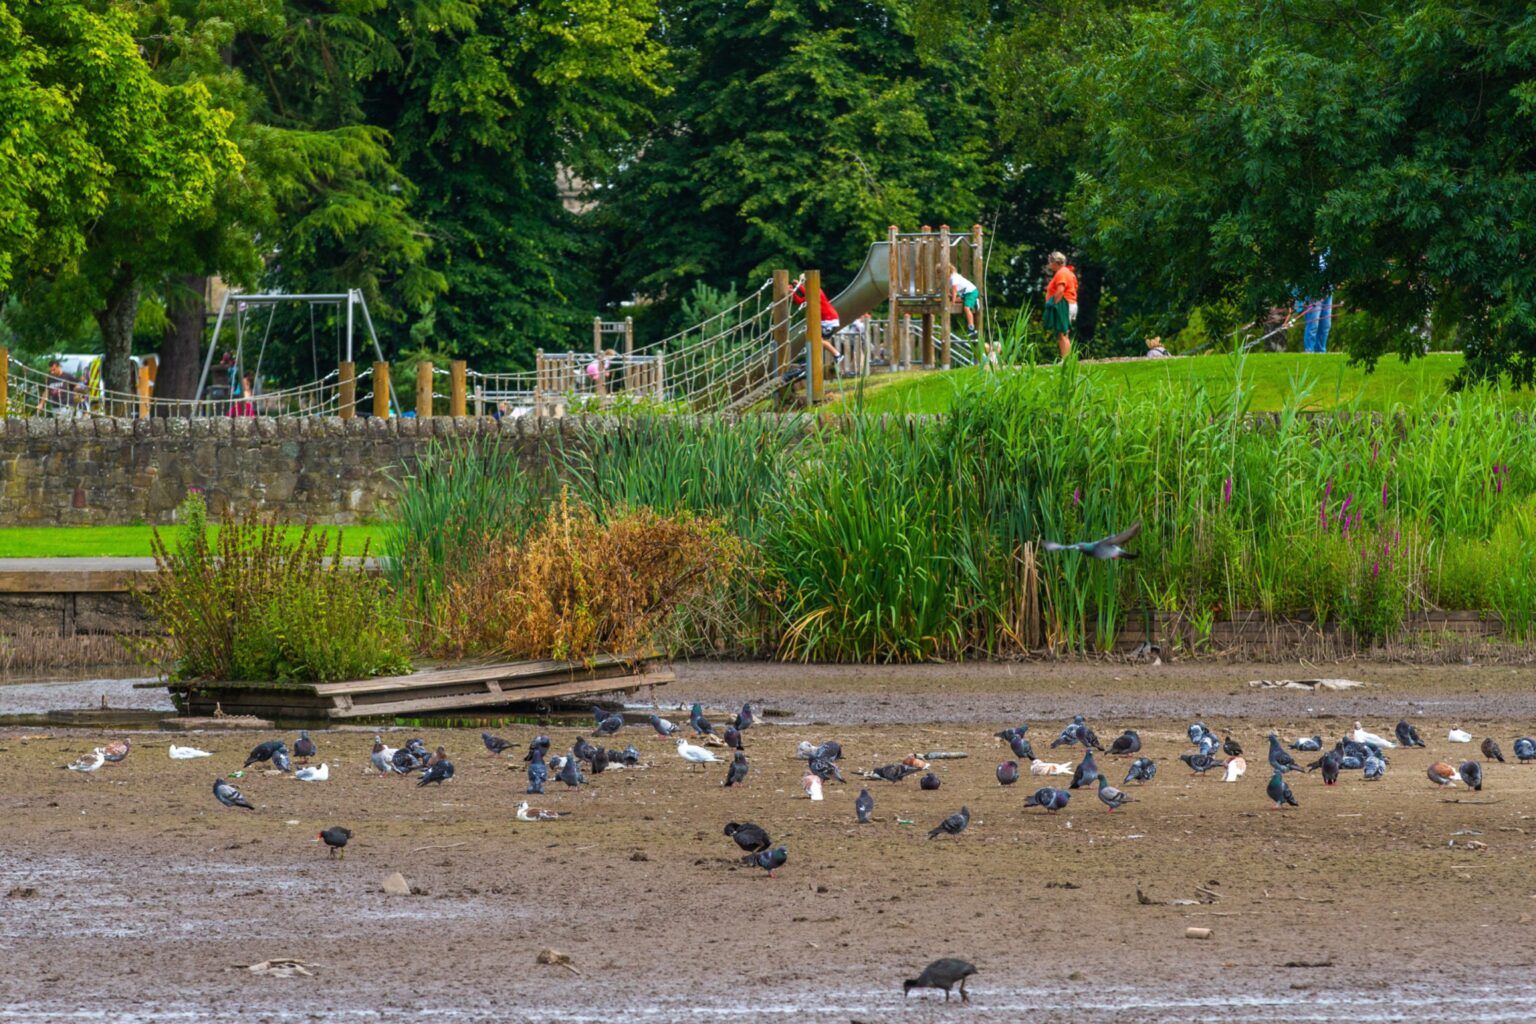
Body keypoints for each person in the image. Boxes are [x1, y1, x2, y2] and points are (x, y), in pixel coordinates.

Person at [792, 273, 842, 368]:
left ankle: (837, 355)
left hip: (830, 320)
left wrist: (799, 285)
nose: (803, 284)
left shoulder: (817, 291)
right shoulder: (809, 295)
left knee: (817, 339)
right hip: (824, 321)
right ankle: (811, 359)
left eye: (804, 281)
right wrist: (792, 293)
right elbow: (800, 301)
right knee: (811, 338)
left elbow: (809, 292)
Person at [1043, 252, 1077, 359]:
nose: (1049, 265)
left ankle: (1066, 360)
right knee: (1063, 333)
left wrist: (1053, 305)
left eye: (1050, 262)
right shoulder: (1067, 272)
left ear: (1055, 262)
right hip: (1068, 303)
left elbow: (1060, 290)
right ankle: (1067, 359)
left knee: (1062, 333)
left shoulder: (1061, 273)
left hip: (1064, 304)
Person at [949, 269, 980, 337]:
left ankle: (971, 329)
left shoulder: (954, 277)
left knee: (966, 308)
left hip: (971, 292)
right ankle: (974, 301)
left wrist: (953, 302)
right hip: (964, 294)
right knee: (956, 300)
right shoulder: (949, 279)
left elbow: (954, 290)